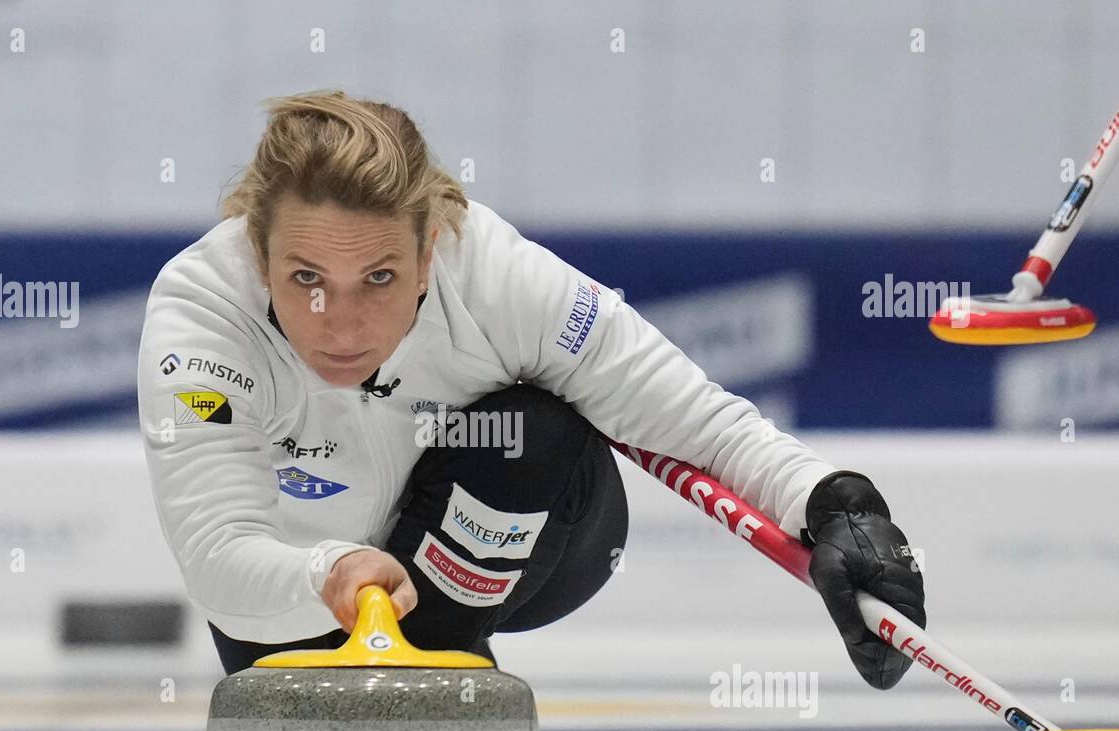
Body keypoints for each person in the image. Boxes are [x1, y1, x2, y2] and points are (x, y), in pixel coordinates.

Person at [137, 89, 925, 687]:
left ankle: (440, 660)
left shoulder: (498, 276)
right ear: (255, 250)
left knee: (535, 432)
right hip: (295, 597)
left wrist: (837, 503)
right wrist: (331, 572)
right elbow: (219, 553)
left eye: (379, 277)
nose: (340, 325)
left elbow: (696, 423)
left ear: (432, 247)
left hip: (525, 558)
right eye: (306, 278)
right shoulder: (202, 311)